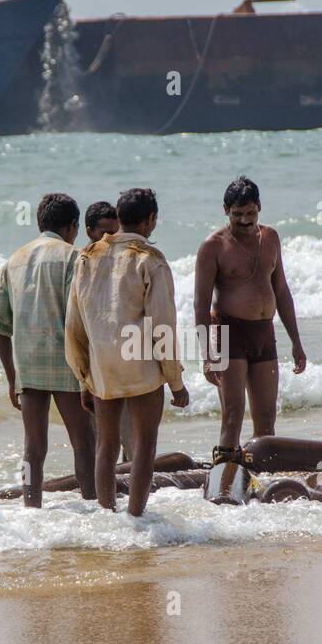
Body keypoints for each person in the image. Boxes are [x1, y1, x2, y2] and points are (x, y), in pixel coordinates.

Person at [66, 188, 189, 516]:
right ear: (151, 220)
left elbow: (74, 326)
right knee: (144, 446)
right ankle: (135, 517)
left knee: (105, 445)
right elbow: (162, 326)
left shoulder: (87, 256)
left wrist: (83, 378)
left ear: (120, 218)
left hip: (102, 366)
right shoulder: (150, 259)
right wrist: (176, 382)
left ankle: (108, 515)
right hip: (141, 366)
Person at [0, 193, 97, 508]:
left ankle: (31, 507)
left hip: (28, 364)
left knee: (33, 448)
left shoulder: (13, 261)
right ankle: (93, 505)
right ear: (73, 226)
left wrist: (11, 377)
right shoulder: (75, 257)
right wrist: (91, 372)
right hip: (67, 362)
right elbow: (85, 318)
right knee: (84, 442)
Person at [193, 176, 306, 456]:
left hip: (264, 333)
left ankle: (262, 484)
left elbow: (282, 291)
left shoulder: (270, 237)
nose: (244, 221)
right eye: (237, 214)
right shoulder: (213, 246)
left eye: (250, 214)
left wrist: (296, 342)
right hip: (229, 333)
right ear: (225, 210)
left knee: (267, 419)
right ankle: (225, 473)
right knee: (233, 414)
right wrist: (208, 356)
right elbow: (200, 305)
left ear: (259, 207)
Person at [83, 200, 131, 461]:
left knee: (132, 444)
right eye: (104, 233)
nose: (111, 239)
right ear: (89, 231)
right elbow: (76, 326)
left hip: (128, 362)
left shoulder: (128, 261)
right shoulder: (83, 264)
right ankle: (103, 500)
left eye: (115, 232)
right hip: (97, 367)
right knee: (101, 443)